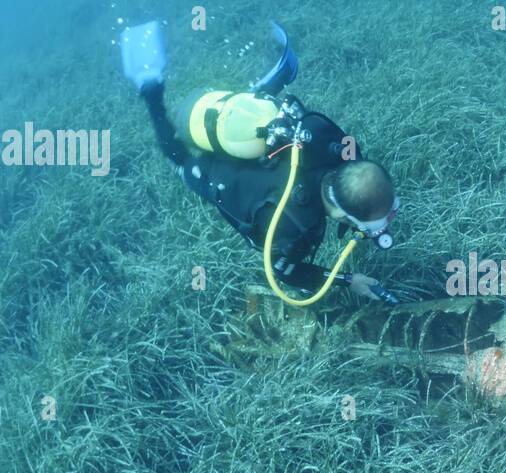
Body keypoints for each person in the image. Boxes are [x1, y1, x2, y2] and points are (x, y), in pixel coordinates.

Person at [121, 21, 399, 304]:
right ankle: (151, 89)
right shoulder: (293, 229)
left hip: (261, 142)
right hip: (219, 177)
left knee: (268, 123)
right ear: (341, 215)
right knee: (179, 159)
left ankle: (255, 99)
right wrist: (348, 280)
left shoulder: (332, 146)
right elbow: (288, 273)